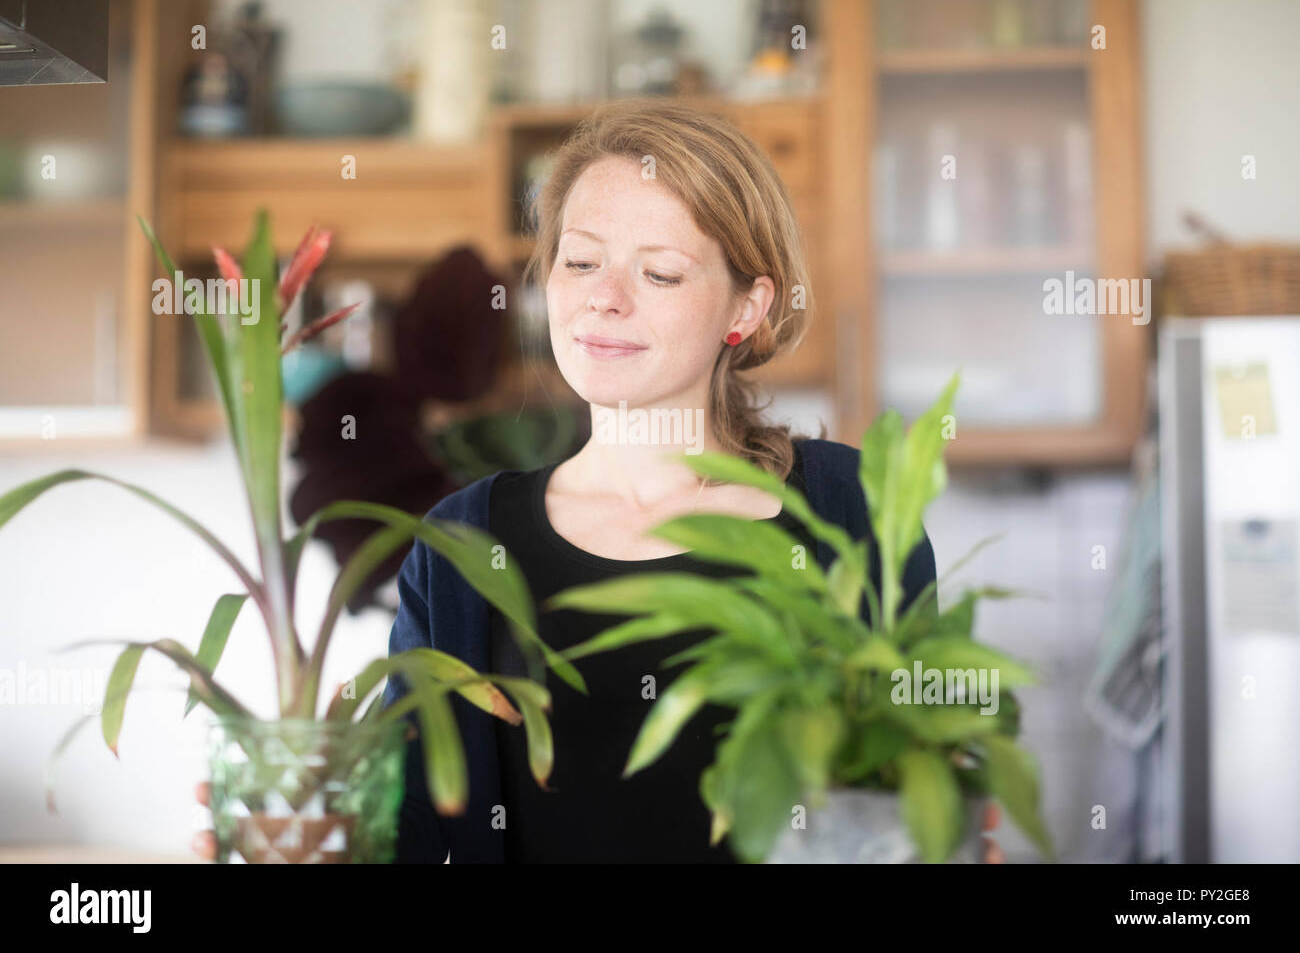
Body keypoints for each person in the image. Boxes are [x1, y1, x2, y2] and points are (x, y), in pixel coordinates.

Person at [192, 100, 1003, 864]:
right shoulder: (464, 544)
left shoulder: (845, 507)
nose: (604, 300)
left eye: (660, 274)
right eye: (580, 261)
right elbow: (402, 830)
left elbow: (922, 770)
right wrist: (302, 833)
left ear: (746, 307)